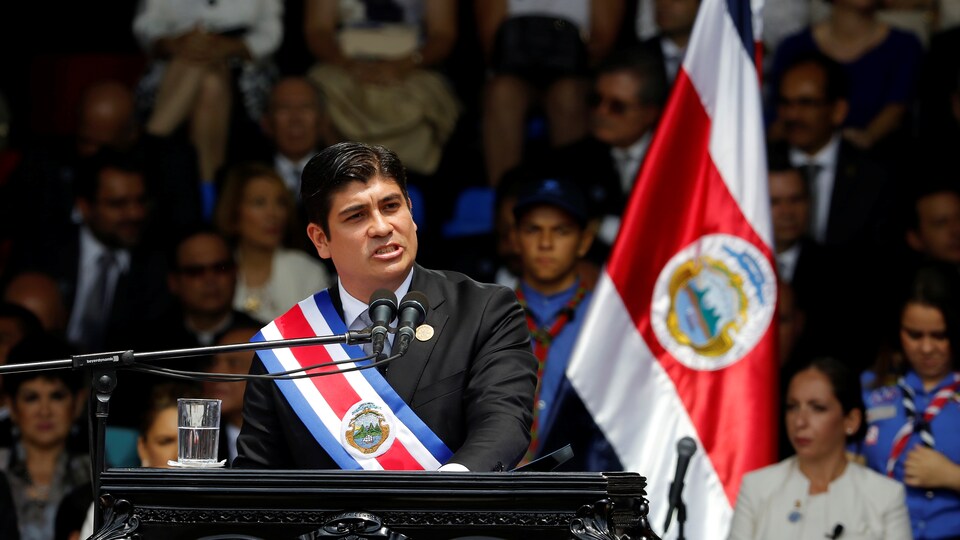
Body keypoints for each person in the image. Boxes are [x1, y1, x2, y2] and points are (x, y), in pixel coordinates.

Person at [234, 141, 538, 471]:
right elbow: (258, 473)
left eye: (391, 206)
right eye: (357, 216)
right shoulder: (288, 343)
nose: (381, 227)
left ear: (410, 210)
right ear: (320, 239)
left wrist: (446, 493)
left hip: (445, 517)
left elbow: (503, 424)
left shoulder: (484, 310)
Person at [728, 356, 910, 539]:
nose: (800, 422)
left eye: (817, 408)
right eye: (792, 407)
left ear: (851, 420)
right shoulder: (757, 488)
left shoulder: (885, 496)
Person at [131, 0, 284, 218]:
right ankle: (209, 195)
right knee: (207, 78)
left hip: (243, 70)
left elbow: (271, 33)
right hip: (173, 68)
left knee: (208, 77)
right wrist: (173, 43)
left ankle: (147, 145)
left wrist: (231, 46)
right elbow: (145, 25)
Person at [858, 263, 960, 538]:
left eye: (940, 336)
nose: (926, 348)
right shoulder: (869, 389)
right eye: (914, 335)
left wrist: (952, 476)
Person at [304, 0, 460, 178]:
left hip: (411, 66)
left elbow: (442, 34)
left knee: (430, 95)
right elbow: (318, 30)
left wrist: (403, 65)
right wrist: (348, 64)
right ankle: (341, 171)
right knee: (316, 89)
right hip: (345, 63)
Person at [477, 0, 623, 186]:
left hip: (574, 73)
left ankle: (569, 195)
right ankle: (503, 196)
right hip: (513, 73)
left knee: (568, 95)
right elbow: (491, 44)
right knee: (501, 93)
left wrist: (564, 46)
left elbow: (603, 44)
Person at [509, 176, 596, 464]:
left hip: (588, 483)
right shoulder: (487, 316)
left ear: (584, 241)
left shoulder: (604, 321)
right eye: (533, 230)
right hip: (502, 486)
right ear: (515, 238)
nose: (545, 243)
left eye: (561, 231)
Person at [767, 0, 924, 152]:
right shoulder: (793, 47)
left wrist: (862, 142)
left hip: (879, 163)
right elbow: (777, 116)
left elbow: (897, 109)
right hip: (800, 160)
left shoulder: (904, 47)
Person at [213, 162, 332, 324]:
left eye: (281, 202)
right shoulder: (216, 270)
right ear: (234, 212)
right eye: (259, 202)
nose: (273, 214)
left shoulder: (307, 271)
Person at [0, 336, 90, 540]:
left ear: (77, 402)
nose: (44, 411)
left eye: (57, 396)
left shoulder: (97, 476)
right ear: (12, 406)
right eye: (31, 398)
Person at [202, 326, 259, 465]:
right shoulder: (197, 437)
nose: (216, 372)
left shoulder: (291, 439)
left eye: (234, 363)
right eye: (214, 363)